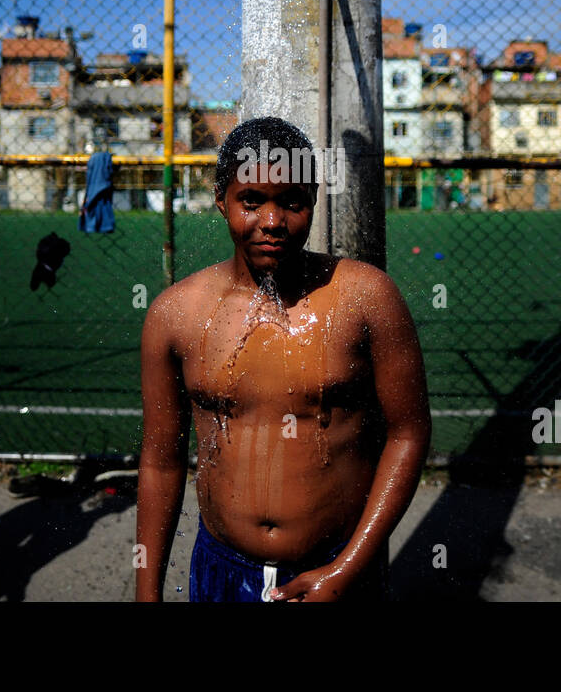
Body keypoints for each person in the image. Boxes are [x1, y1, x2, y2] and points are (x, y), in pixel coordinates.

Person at [136, 117, 430, 602]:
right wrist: (146, 595)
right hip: (222, 568)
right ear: (221, 198)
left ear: (313, 200)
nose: (271, 222)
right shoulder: (175, 315)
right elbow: (161, 462)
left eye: (292, 202)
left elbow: (409, 432)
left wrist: (345, 570)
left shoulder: (365, 297)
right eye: (251, 200)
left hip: (336, 566)